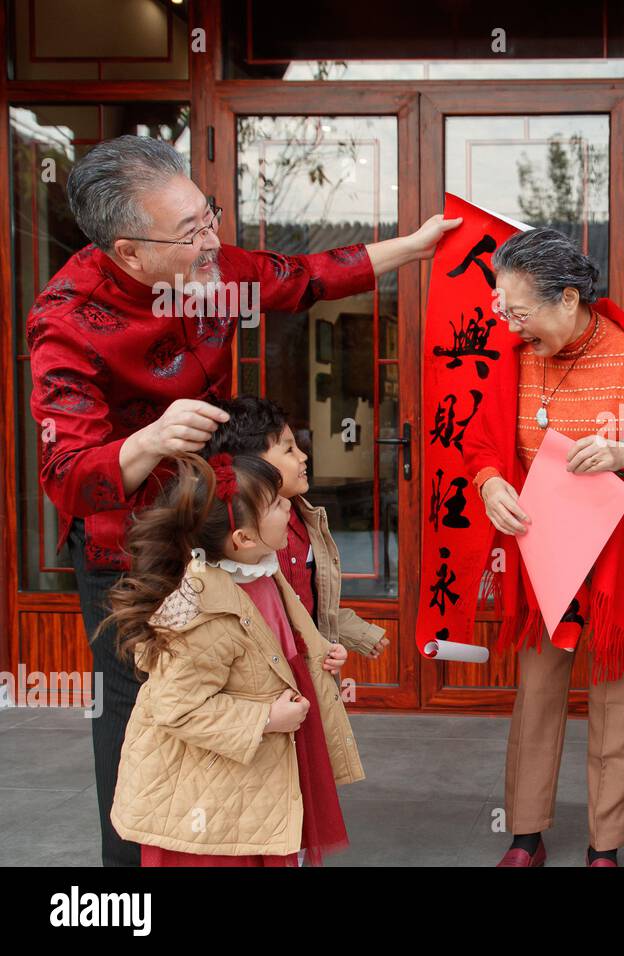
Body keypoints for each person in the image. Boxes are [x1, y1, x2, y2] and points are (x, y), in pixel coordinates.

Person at [26, 135, 456, 865]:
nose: (210, 241)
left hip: (211, 525)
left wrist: (414, 247)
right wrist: (152, 440)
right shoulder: (65, 320)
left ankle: (242, 847)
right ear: (129, 252)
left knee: (243, 692)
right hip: (128, 551)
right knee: (147, 716)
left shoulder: (214, 266)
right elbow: (67, 473)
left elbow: (307, 277)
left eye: (210, 216)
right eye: (189, 231)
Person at [462, 228, 624, 867]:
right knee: (537, 692)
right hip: (545, 553)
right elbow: (482, 443)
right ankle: (525, 835)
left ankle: (606, 846)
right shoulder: (515, 354)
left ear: (569, 298)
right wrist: (489, 485)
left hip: (620, 557)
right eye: (502, 308)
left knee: (621, 699)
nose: (506, 321)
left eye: (518, 309)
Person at [103, 453, 362, 866]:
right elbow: (179, 707)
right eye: (276, 503)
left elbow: (278, 641)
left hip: (251, 777)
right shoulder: (199, 608)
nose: (288, 507)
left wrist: (319, 654)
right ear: (242, 538)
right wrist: (264, 719)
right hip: (206, 801)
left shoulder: (262, 569)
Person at [203, 395, 391, 660]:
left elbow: (311, 606)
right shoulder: (241, 540)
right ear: (252, 465)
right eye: (289, 450)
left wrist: (359, 634)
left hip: (311, 668)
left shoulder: (307, 518)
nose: (304, 456)